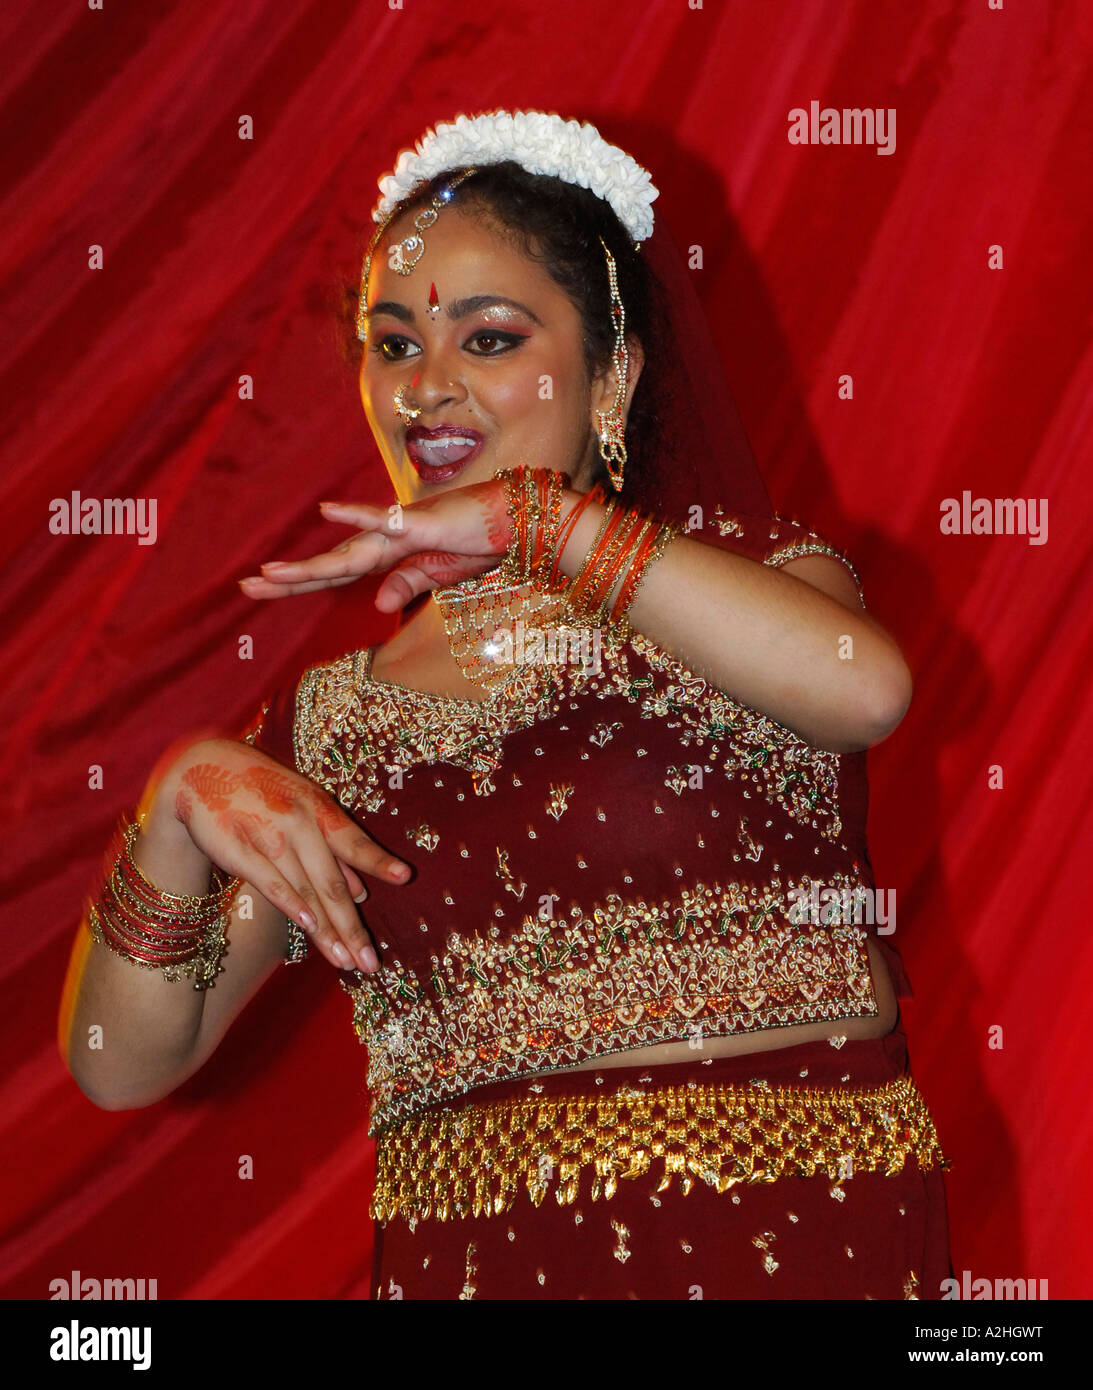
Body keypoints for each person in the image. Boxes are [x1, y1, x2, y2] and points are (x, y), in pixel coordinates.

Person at [62, 109, 953, 1300]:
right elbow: (122, 1063)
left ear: (613, 371)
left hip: (795, 1241)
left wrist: (541, 524)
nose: (425, 387)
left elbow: (869, 686)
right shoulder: (331, 725)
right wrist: (178, 796)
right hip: (477, 1266)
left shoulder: (751, 580)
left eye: (487, 339)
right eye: (390, 344)